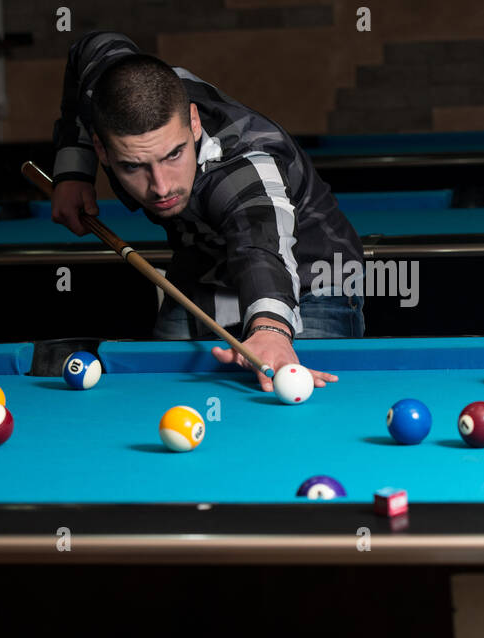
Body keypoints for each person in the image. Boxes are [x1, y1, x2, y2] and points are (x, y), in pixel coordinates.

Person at [50, 31, 364, 393]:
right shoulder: (105, 85)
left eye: (173, 155)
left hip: (312, 277)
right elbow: (88, 48)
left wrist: (270, 327)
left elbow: (261, 246)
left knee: (296, 406)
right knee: (167, 395)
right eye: (134, 166)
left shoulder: (244, 167)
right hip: (202, 267)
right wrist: (73, 171)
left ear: (194, 122)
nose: (162, 186)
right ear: (102, 149)